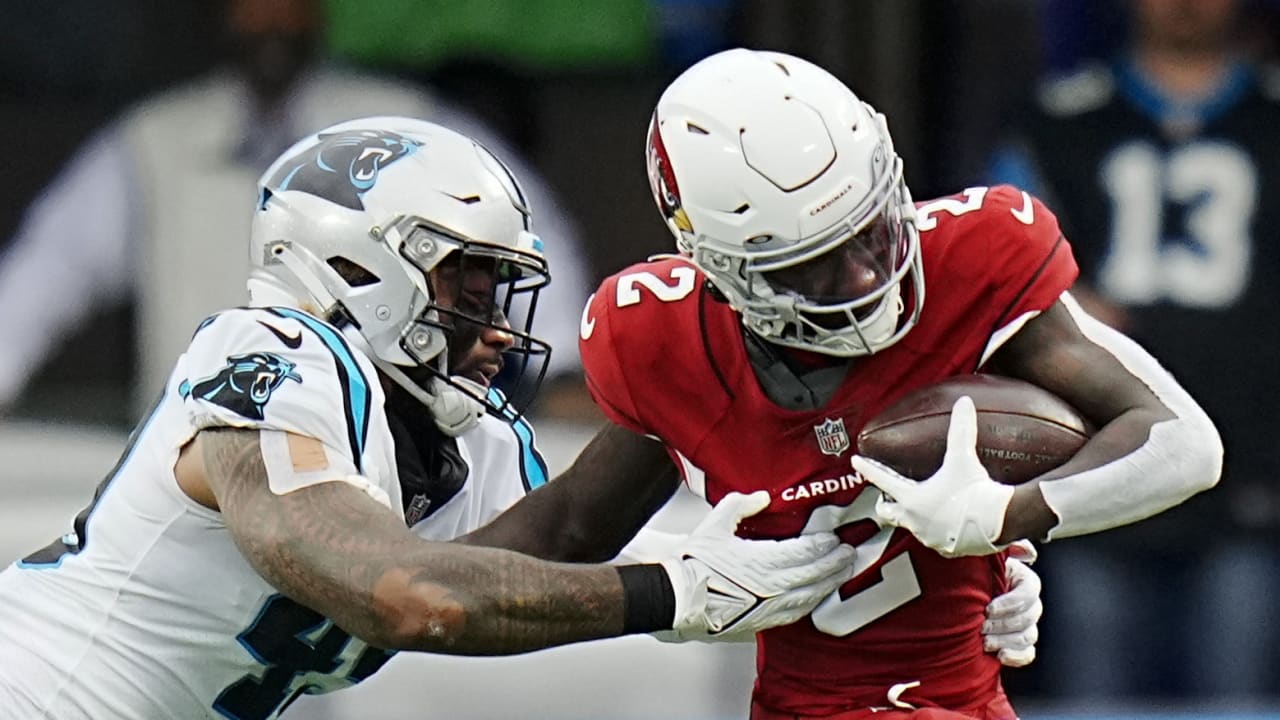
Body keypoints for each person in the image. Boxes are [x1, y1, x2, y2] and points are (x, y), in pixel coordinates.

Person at [0, 116, 867, 720]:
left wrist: (952, 565)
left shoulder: (462, 444)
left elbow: (559, 549)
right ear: (358, 265)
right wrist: (675, 592)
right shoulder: (270, 357)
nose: (497, 325)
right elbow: (409, 596)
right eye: (469, 284)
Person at [458, 48, 1224, 719]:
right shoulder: (668, 343)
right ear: (720, 270)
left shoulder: (969, 261)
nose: (865, 275)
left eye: (872, 231)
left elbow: (1181, 442)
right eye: (813, 264)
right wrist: (677, 583)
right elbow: (567, 533)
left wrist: (1010, 513)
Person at [0, 0, 590, 421]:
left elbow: (515, 224)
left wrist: (563, 363)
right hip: (194, 461)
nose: (272, 17)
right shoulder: (153, 143)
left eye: (289, 3)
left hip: (378, 451)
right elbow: (47, 273)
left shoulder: (399, 120)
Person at [986, 0, 1280, 699]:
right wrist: (1052, 303)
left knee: (1237, 698)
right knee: (1098, 696)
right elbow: (985, 271)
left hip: (1254, 478)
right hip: (1097, 478)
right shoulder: (1055, 122)